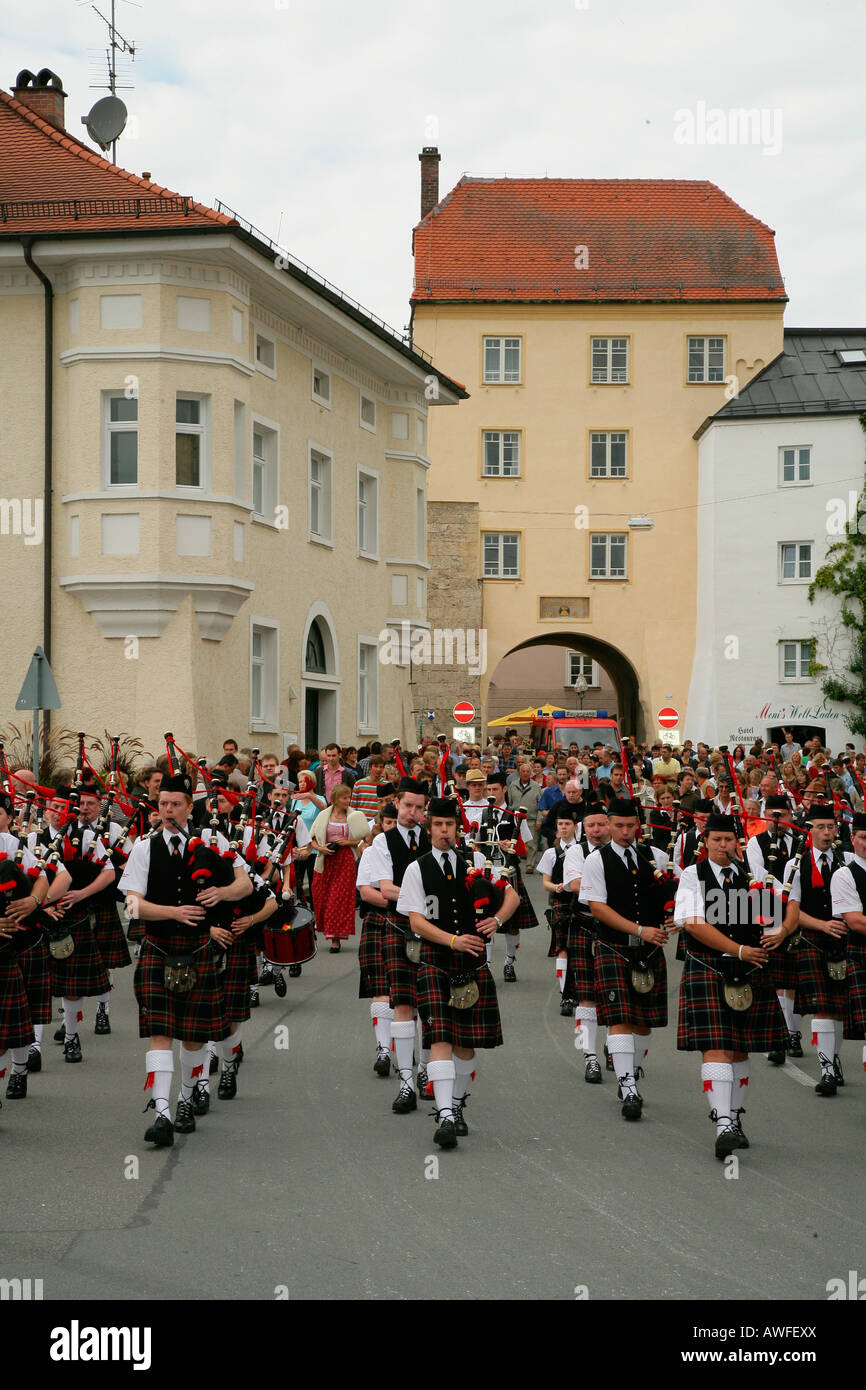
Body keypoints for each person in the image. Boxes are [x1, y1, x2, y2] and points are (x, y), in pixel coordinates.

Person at [118, 772, 253, 1146]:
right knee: (160, 1033)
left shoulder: (211, 842)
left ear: (189, 808)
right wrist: (172, 913)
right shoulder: (144, 848)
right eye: (163, 803)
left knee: (194, 1038)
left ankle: (186, 1099)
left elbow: (246, 884)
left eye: (175, 804)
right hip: (159, 948)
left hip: (197, 952)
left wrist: (222, 893)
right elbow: (132, 905)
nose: (167, 810)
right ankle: (161, 1113)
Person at [397, 797, 520, 1149]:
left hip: (472, 964)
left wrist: (497, 920)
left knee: (465, 1045)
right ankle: (445, 1117)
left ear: (458, 828)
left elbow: (512, 897)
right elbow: (416, 921)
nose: (444, 831)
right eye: (437, 825)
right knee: (440, 1038)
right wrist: (452, 940)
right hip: (436, 962)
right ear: (429, 828)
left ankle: (456, 1104)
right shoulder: (417, 869)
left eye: (449, 825)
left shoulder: (477, 862)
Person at [674, 814, 799, 1160]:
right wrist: (739, 949)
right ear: (705, 842)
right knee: (717, 1047)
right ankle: (723, 1124)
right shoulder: (693, 874)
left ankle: (735, 1116)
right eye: (716, 840)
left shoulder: (755, 875)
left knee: (741, 1048)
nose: (723, 846)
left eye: (728, 840)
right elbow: (693, 923)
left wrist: (782, 930)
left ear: (737, 843)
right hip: (709, 967)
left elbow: (790, 905)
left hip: (750, 969)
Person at [579, 798, 671, 1120]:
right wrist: (640, 929)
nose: (625, 832)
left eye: (631, 826)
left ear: (638, 825)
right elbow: (597, 907)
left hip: (649, 949)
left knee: (643, 1023)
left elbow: (669, 897)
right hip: (614, 947)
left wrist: (673, 916)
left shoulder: (656, 857)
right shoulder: (596, 860)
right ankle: (628, 1086)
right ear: (609, 824)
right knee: (619, 1017)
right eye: (618, 826)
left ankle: (630, 1070)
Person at [361, 778, 430, 1112]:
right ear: (397, 804)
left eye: (418, 807)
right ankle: (406, 1083)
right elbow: (386, 889)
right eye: (407, 806)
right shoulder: (382, 842)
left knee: (430, 1005)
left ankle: (426, 1070)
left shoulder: (434, 838)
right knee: (403, 1004)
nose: (411, 812)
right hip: (400, 926)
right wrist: (427, 900)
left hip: (433, 930)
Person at [784, 803, 851, 1095]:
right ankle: (826, 1071)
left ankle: (833, 1059)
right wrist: (822, 925)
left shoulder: (847, 859)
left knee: (839, 1009)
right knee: (823, 1007)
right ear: (809, 830)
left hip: (845, 939)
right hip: (813, 938)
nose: (826, 832)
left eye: (831, 827)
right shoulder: (795, 864)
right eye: (820, 827)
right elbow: (792, 910)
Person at [746, 795, 802, 1061]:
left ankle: (792, 1032)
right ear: (765, 816)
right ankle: (780, 1037)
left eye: (783, 815)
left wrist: (795, 901)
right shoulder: (754, 843)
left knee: (794, 980)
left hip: (799, 910)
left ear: (791, 817)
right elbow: (758, 877)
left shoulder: (800, 842)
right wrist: (786, 896)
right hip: (768, 909)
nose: (777, 821)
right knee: (776, 979)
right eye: (772, 815)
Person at [471, 771, 538, 981]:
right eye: (488, 789)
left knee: (512, 925)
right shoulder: (482, 815)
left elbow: (524, 850)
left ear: (504, 789)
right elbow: (475, 844)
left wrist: (512, 846)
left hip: (510, 873)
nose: (491, 793)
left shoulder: (516, 816)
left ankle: (509, 963)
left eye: (495, 789)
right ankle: (488, 966)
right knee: (485, 919)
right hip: (488, 875)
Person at [564, 804, 613, 1082]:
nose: (596, 830)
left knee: (614, 993)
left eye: (601, 824)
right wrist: (613, 887)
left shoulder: (622, 852)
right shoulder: (576, 851)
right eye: (591, 825)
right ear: (583, 828)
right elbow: (574, 885)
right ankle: (589, 1057)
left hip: (615, 927)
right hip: (584, 924)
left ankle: (612, 1046)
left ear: (610, 825)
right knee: (586, 995)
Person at [309, 786, 369, 952]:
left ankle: (335, 938)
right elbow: (312, 839)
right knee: (322, 897)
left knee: (338, 899)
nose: (348, 801)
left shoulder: (354, 816)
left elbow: (365, 840)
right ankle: (328, 930)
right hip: (325, 861)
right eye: (344, 798)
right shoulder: (323, 815)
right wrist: (320, 848)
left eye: (349, 797)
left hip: (345, 860)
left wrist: (347, 842)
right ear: (335, 799)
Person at [830, 812, 866, 1081]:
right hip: (862, 955)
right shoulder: (845, 875)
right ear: (852, 839)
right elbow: (855, 921)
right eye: (864, 837)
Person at [538, 809, 581, 1015]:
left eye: (567, 824)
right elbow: (545, 882)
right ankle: (566, 995)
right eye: (560, 824)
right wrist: (556, 887)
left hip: (581, 902)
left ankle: (581, 990)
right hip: (561, 902)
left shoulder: (583, 850)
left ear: (575, 827)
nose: (564, 828)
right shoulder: (551, 853)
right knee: (562, 947)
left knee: (579, 948)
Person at [289, 771, 326, 906]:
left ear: (313, 782)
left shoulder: (319, 798)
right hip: (299, 847)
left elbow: (324, 809)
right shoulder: (295, 800)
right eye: (300, 781)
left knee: (313, 882)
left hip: (314, 847)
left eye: (305, 781)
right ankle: (300, 907)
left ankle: (316, 910)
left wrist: (310, 796)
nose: (301, 784)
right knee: (297, 880)